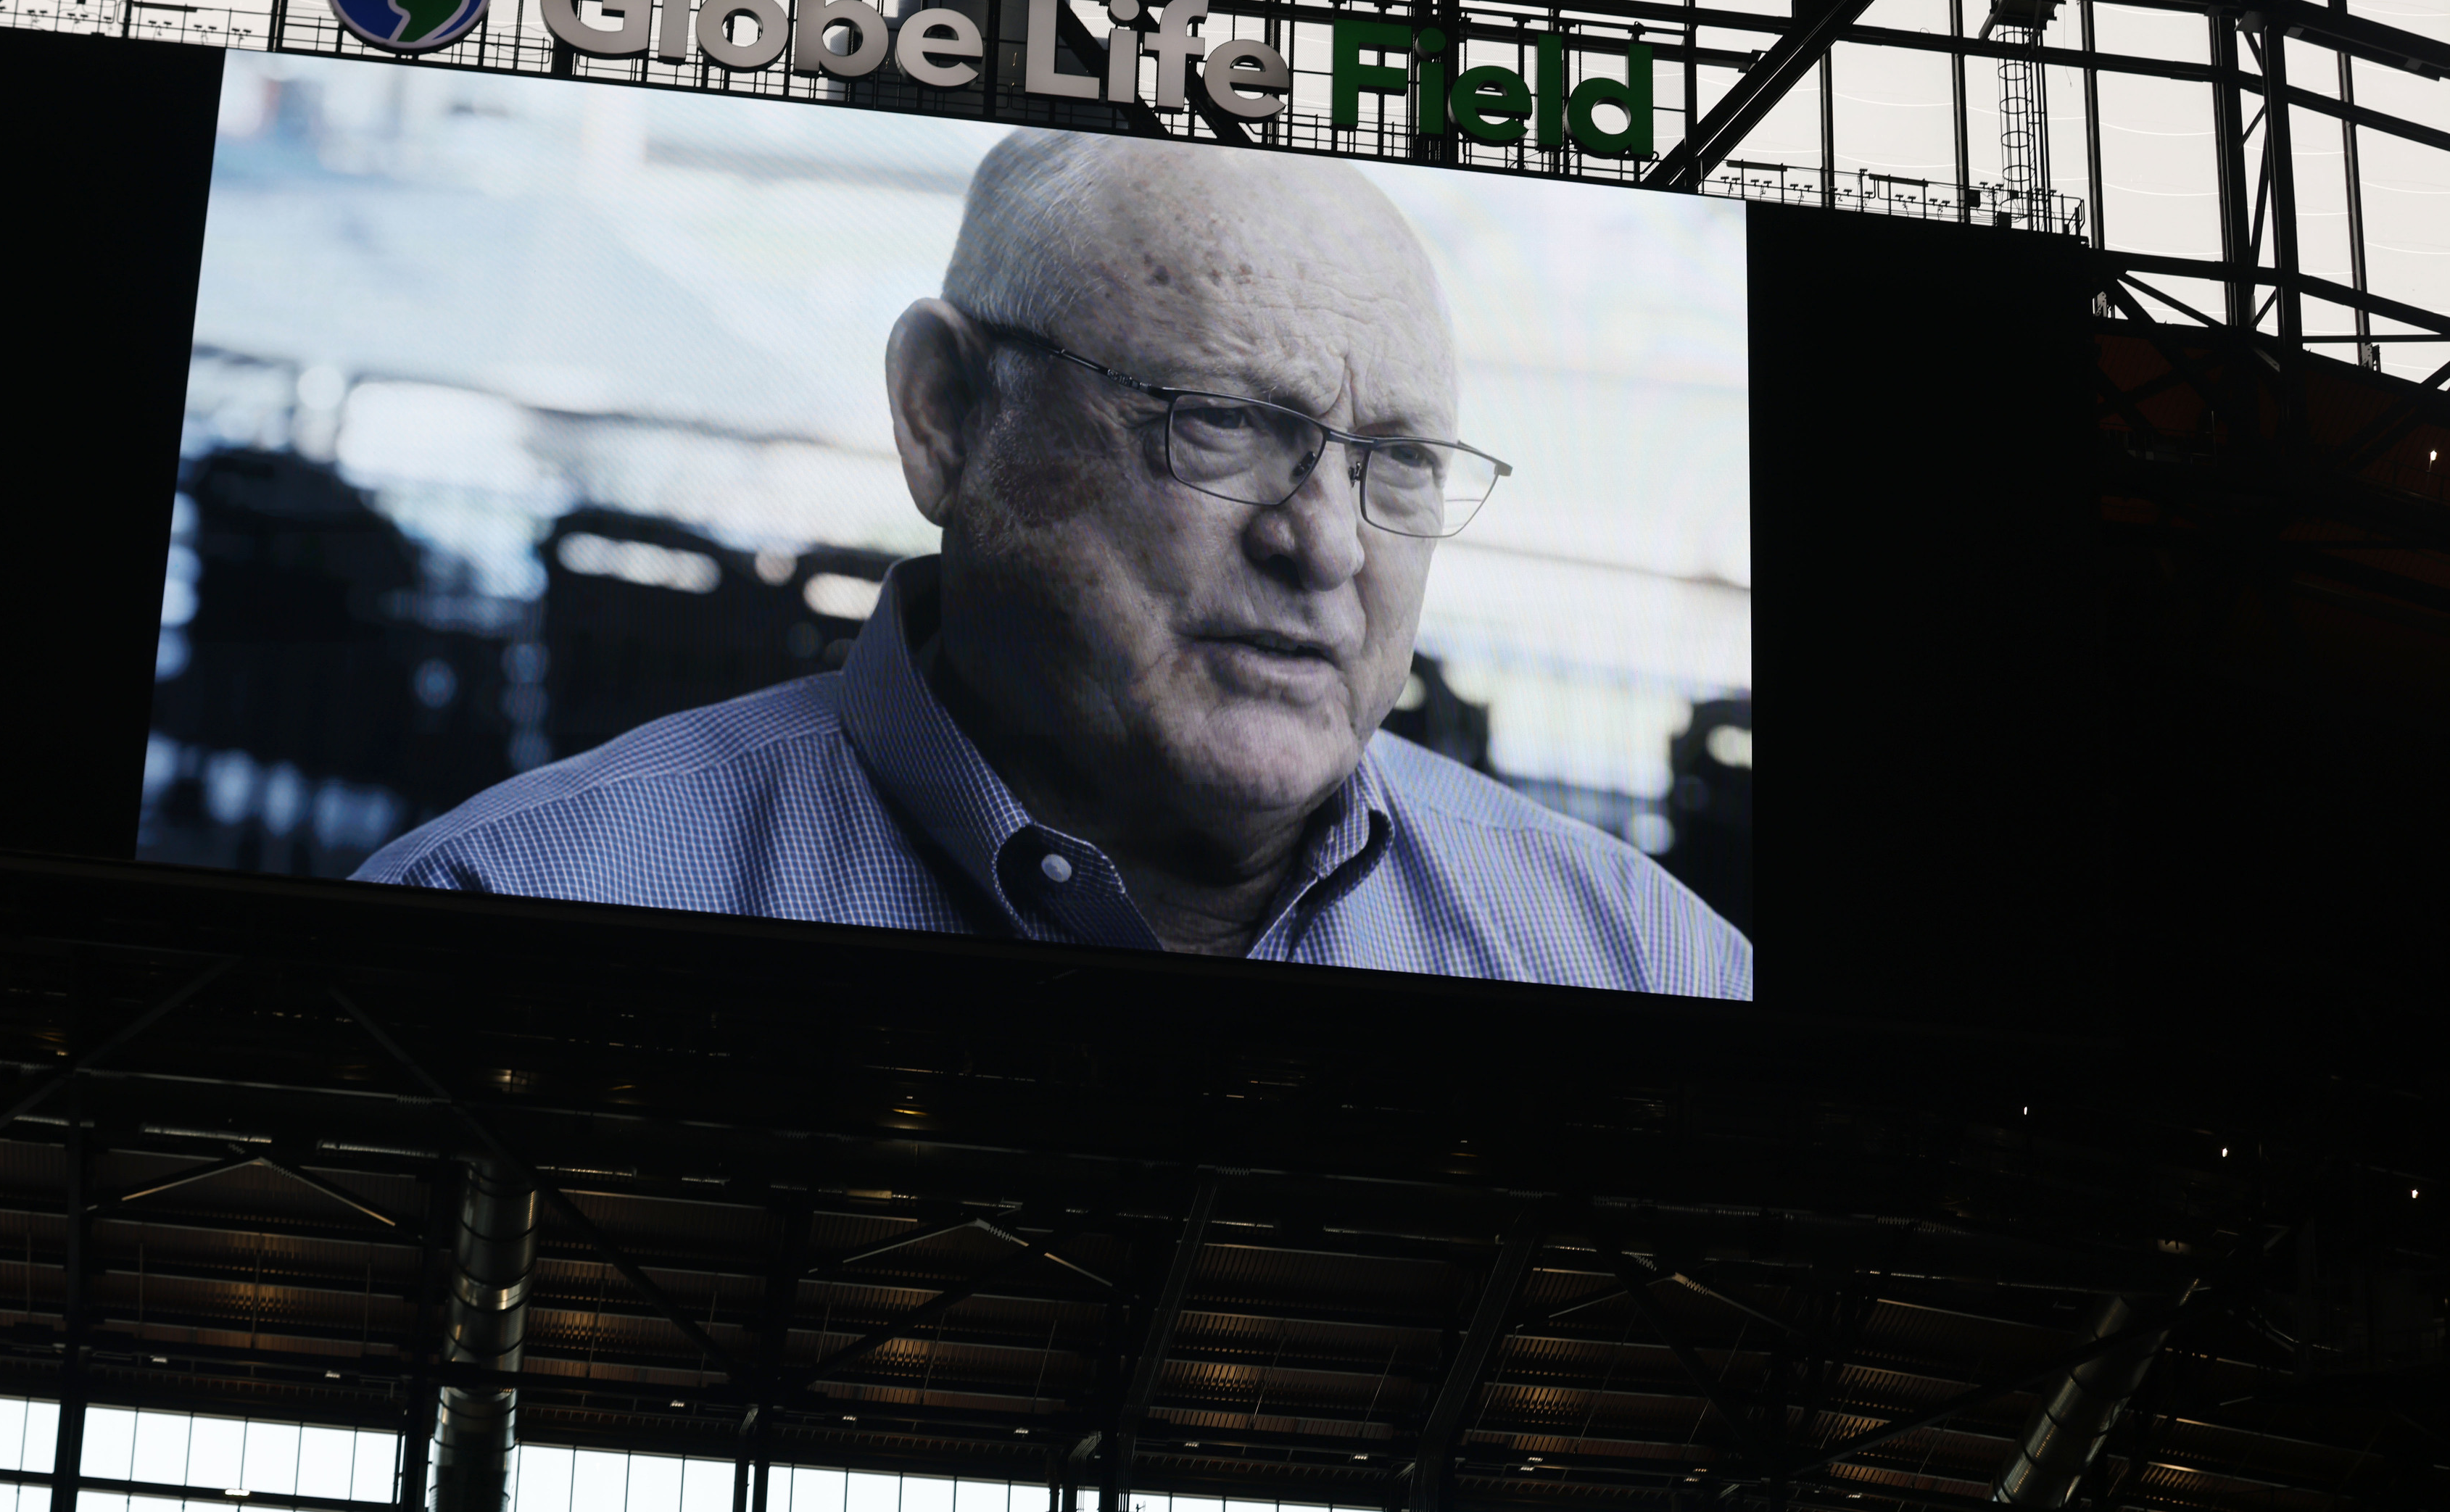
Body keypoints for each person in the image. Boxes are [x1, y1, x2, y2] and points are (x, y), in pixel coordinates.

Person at [355, 130, 1750, 995]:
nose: (1325, 542)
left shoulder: (1658, 966)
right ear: (946, 415)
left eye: (1399, 465)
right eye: (1221, 422)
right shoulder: (505, 926)